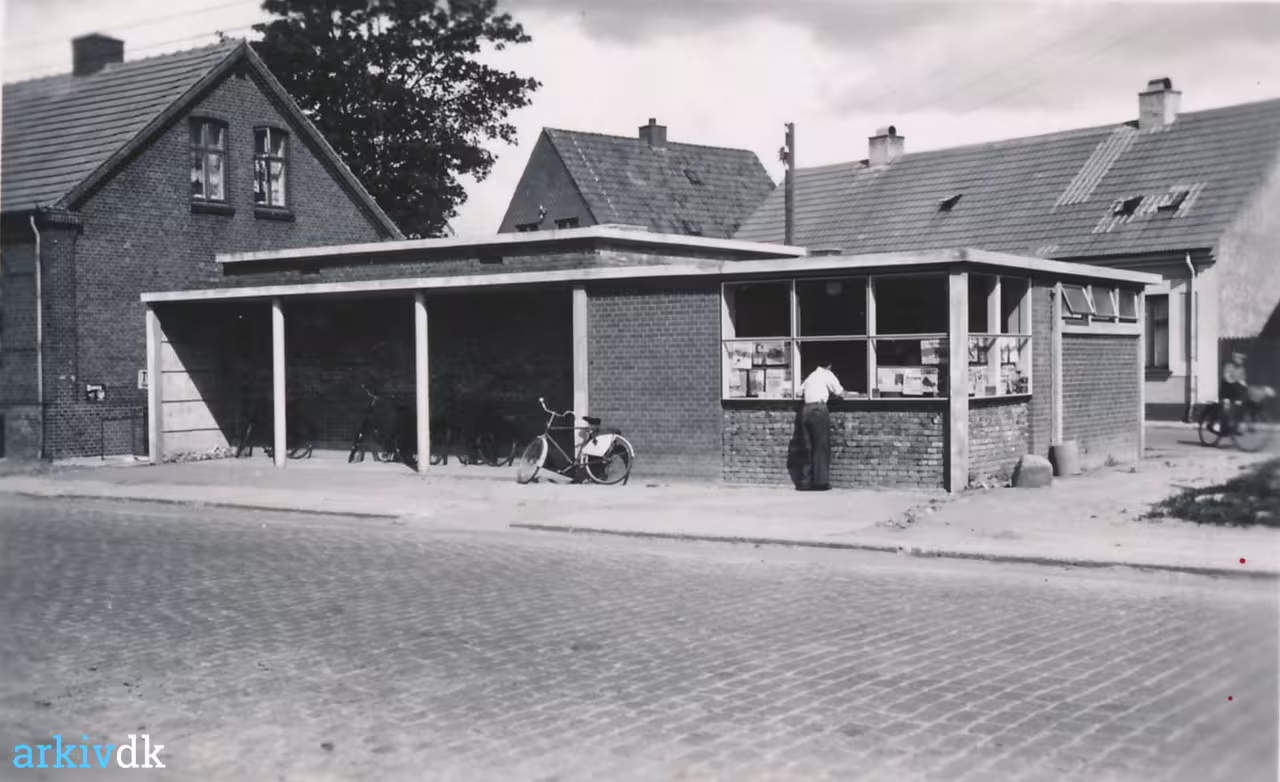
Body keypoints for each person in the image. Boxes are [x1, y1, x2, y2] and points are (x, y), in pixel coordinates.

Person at [792, 362, 845, 491]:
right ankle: (820, 483)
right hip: (818, 409)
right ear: (829, 366)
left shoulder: (811, 375)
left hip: (805, 409)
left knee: (807, 447)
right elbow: (839, 392)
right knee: (821, 446)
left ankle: (805, 483)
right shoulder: (827, 374)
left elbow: (798, 392)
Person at [1220, 352, 1249, 432]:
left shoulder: (1242, 368)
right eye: (1239, 358)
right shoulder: (1229, 366)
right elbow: (1227, 378)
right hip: (1226, 391)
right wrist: (1236, 381)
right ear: (1235, 358)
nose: (1241, 360)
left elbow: (1243, 380)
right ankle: (1222, 427)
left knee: (1239, 407)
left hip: (1236, 392)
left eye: (1242, 358)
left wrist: (1245, 385)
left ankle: (1235, 426)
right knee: (1226, 408)